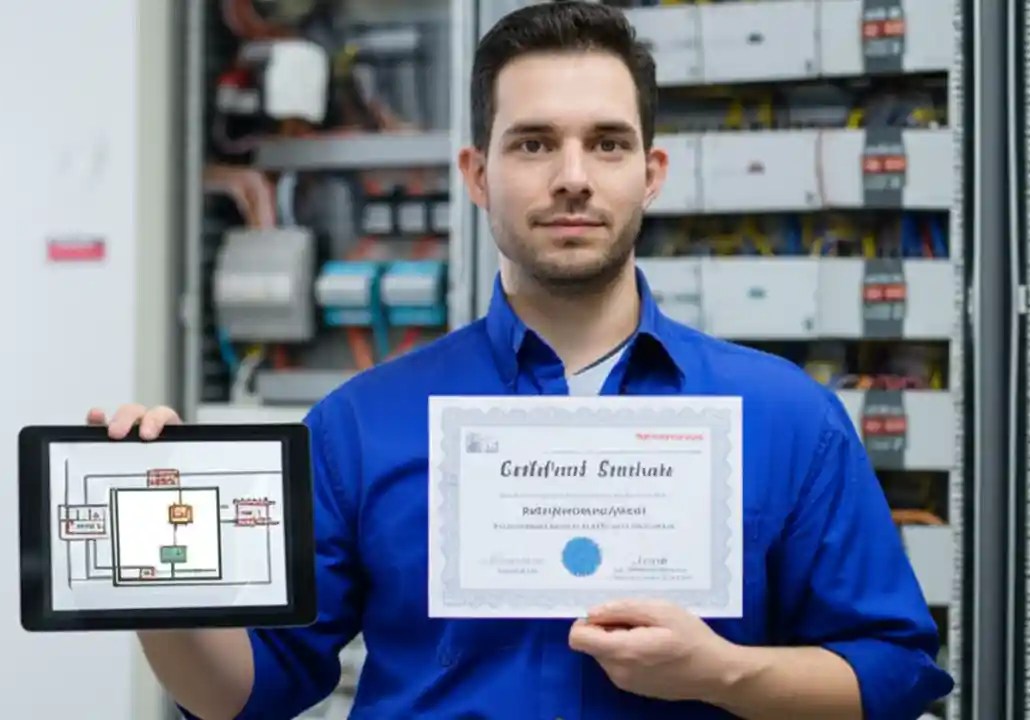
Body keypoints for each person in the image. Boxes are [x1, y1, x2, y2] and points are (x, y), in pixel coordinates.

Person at [89, 3, 955, 718]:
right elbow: (252, 688)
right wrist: (156, 580)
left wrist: (721, 673)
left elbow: (895, 672)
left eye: (607, 144)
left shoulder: (785, 417)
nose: (573, 177)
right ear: (476, 173)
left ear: (651, 173)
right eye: (534, 143)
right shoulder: (362, 423)